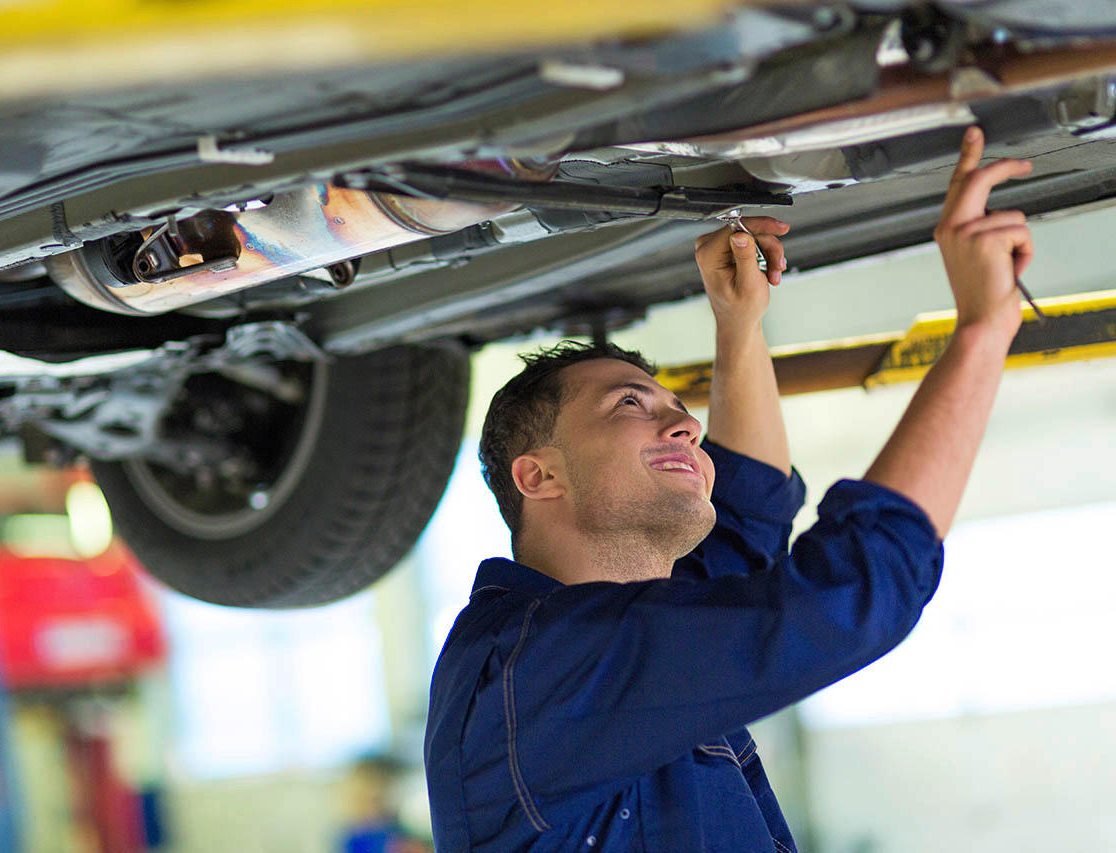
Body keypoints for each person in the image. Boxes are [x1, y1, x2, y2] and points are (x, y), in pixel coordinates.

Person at [423, 126, 1034, 852]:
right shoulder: (544, 671)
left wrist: (741, 326)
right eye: (631, 405)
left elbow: (769, 546)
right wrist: (981, 331)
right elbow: (803, 567)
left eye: (680, 411)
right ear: (540, 474)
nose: (686, 427)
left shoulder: (549, 669)